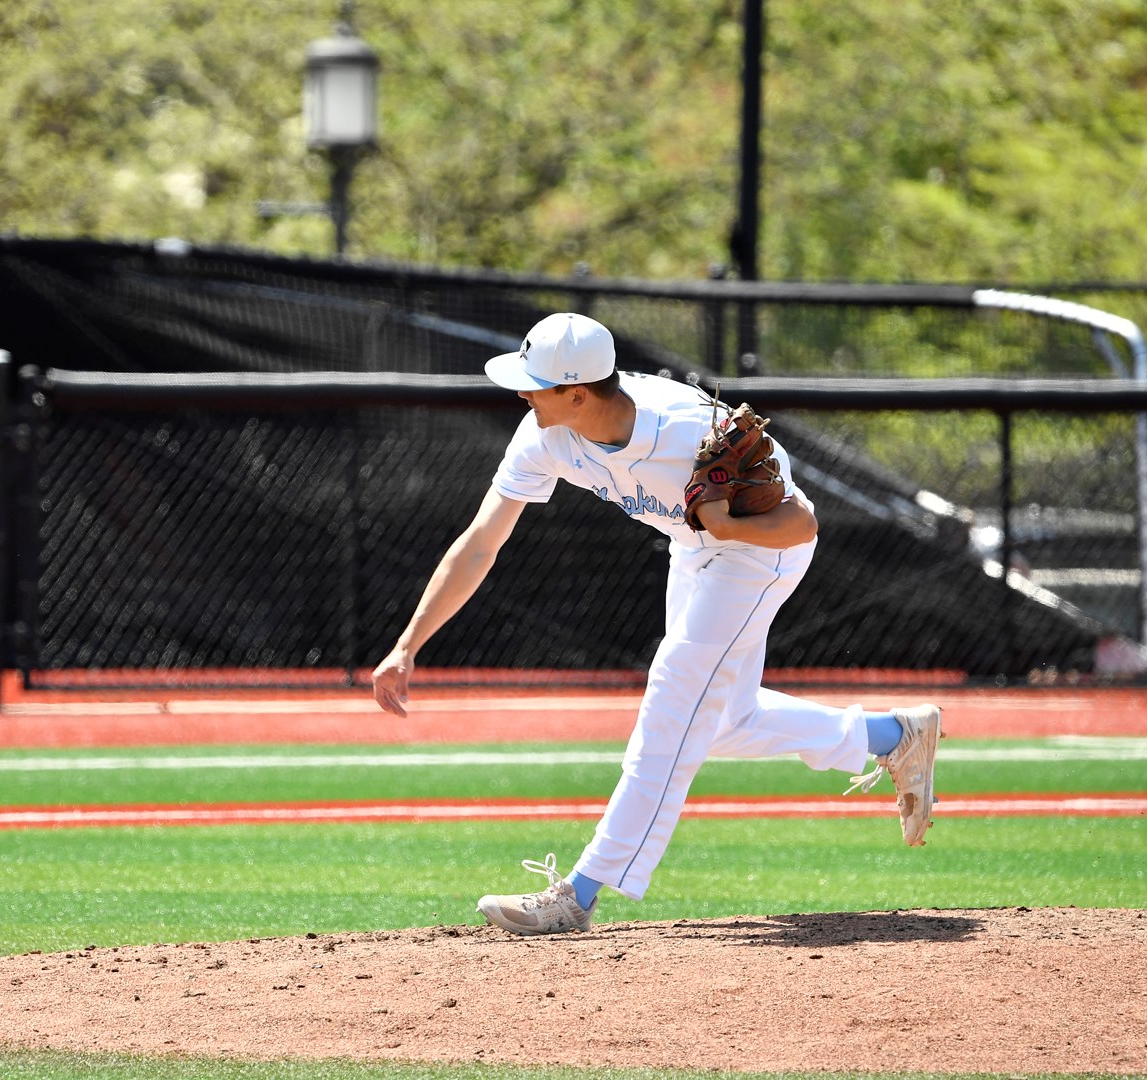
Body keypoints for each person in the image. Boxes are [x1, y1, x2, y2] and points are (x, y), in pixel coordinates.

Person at [370, 312, 942, 936]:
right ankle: (893, 736)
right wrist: (407, 644)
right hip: (693, 546)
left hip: (759, 555)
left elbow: (802, 525)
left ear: (578, 394)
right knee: (720, 721)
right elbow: (482, 542)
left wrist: (729, 524)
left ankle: (579, 893)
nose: (523, 394)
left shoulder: (694, 428)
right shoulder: (543, 435)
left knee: (674, 693)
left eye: (535, 384)